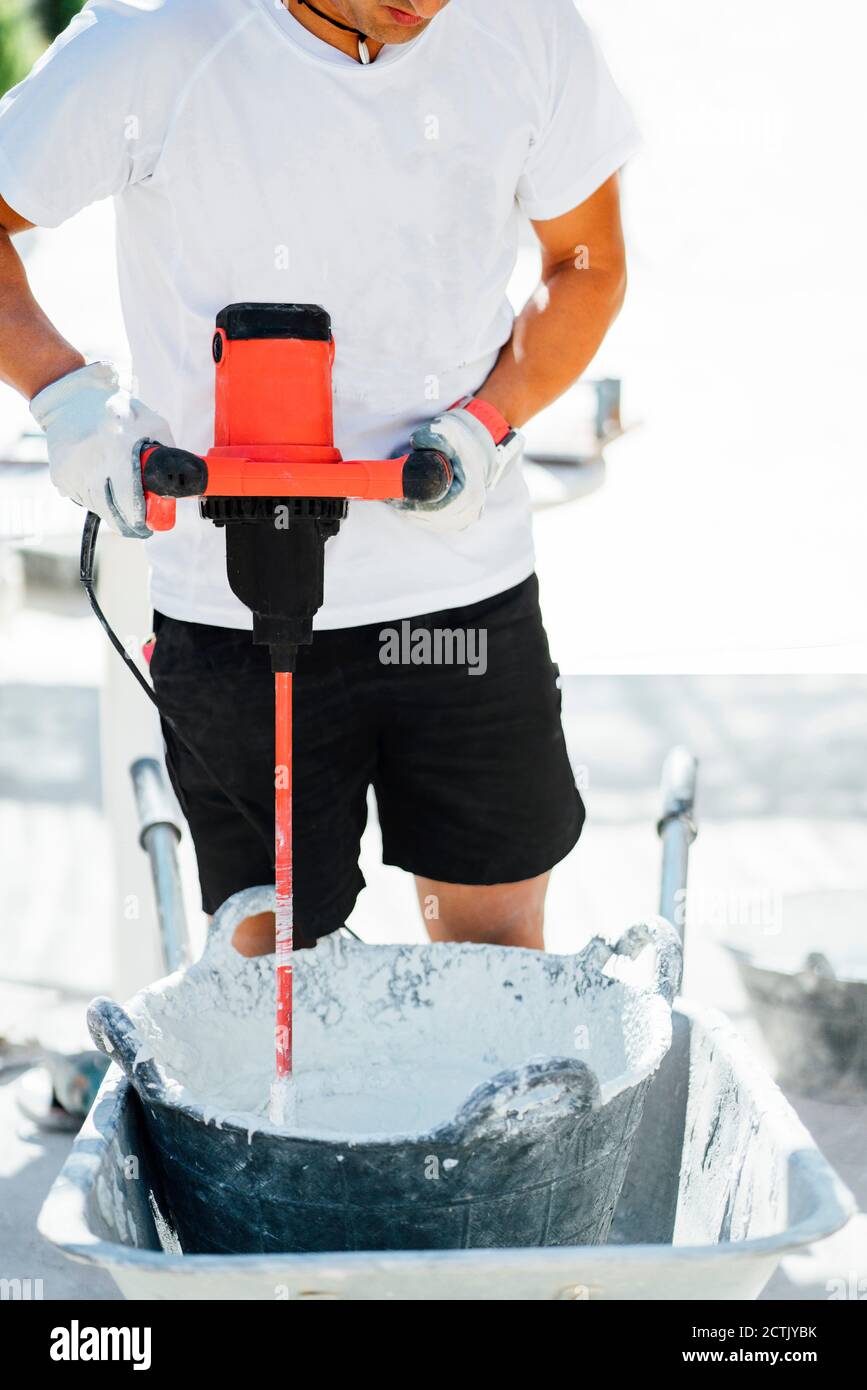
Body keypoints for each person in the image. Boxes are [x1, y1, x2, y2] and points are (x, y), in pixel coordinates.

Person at [0, 0, 638, 954]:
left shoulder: (525, 28)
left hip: (463, 595)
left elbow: (586, 265)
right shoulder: (155, 36)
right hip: (234, 616)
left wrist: (486, 423)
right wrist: (66, 400)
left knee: (497, 964)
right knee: (275, 978)